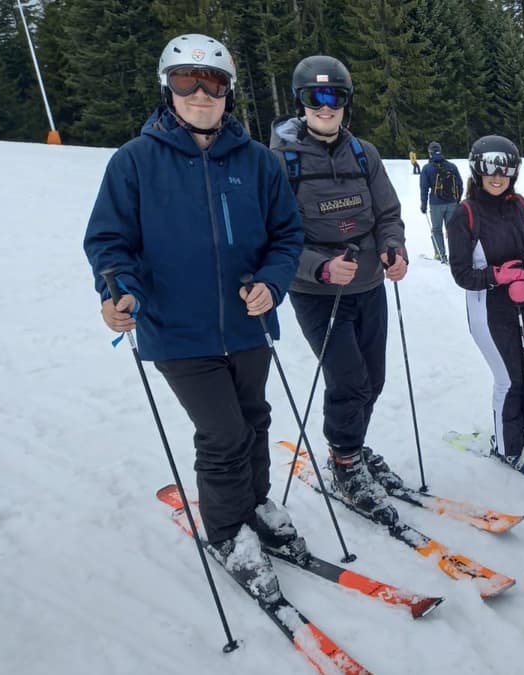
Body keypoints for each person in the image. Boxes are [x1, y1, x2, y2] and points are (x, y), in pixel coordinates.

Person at [83, 33, 306, 600]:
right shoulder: (135, 161)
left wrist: (273, 284)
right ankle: (228, 532)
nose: (201, 94)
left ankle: (256, 504)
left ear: (228, 92)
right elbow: (110, 242)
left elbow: (287, 235)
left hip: (248, 323)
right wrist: (118, 291)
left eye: (214, 83)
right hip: (176, 329)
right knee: (223, 433)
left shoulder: (257, 162)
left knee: (254, 417)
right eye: (188, 81)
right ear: (169, 88)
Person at [269, 55, 408, 526]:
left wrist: (393, 248)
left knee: (374, 378)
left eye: (335, 97)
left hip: (368, 283)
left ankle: (350, 447)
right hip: (317, 292)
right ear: (301, 102)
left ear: (347, 103)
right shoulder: (280, 161)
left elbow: (387, 213)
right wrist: (320, 268)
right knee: (348, 381)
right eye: (315, 97)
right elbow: (273, 235)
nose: (326, 107)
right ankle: (346, 464)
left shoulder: (363, 154)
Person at [446, 135, 524, 475]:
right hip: (488, 309)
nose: (497, 177)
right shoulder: (463, 214)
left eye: (505, 170)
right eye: (490, 169)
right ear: (477, 170)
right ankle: (509, 445)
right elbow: (462, 273)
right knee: (509, 378)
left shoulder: (519, 206)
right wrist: (498, 276)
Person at [420, 141, 464, 264]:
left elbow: (424, 188)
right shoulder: (452, 166)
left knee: (437, 230)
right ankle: (456, 255)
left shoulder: (427, 168)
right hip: (452, 203)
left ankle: (440, 255)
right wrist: (457, 199)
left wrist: (423, 204)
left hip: (435, 204)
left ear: (430, 153)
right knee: (452, 230)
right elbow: (460, 184)